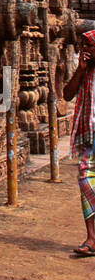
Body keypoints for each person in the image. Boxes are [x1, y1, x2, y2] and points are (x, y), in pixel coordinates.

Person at [63, 29, 95, 257]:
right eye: (83, 46)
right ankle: (92, 238)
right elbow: (66, 94)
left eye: (90, 46)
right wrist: (80, 71)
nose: (85, 50)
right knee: (86, 180)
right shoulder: (84, 71)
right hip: (90, 136)